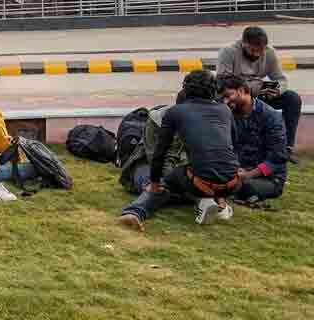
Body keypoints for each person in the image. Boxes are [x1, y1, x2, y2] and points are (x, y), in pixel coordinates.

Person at [144, 70, 240, 226]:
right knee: (205, 169)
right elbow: (234, 145)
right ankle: (221, 205)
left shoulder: (175, 111)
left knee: (169, 178)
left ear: (185, 89)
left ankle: (204, 200)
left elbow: (160, 152)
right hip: (233, 183)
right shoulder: (225, 110)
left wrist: (154, 184)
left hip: (200, 183)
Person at [216, 26, 302, 159]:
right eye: (252, 50)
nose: (257, 54)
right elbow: (223, 81)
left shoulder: (269, 52)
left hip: (260, 94)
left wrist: (278, 90)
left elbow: (281, 79)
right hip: (236, 95)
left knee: (292, 98)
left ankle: (286, 147)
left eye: (260, 51)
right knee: (222, 101)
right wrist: (254, 86)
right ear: (243, 43)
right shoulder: (228, 51)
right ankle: (231, 146)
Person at [116, 102, 187, 230]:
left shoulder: (203, 122)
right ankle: (133, 213)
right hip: (149, 166)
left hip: (178, 173)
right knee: (157, 183)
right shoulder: (157, 118)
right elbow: (157, 160)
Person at [221, 74, 288, 206]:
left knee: (242, 187)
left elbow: (277, 159)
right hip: (235, 171)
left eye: (228, 96)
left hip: (267, 178)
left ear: (241, 91)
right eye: (223, 97)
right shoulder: (228, 114)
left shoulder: (271, 117)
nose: (225, 101)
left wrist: (248, 174)